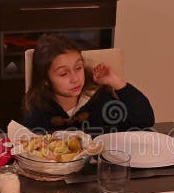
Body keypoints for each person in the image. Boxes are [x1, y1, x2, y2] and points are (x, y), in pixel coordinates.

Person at [22, 34, 155, 134]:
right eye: (64, 74)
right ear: (45, 80)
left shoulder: (99, 97)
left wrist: (116, 82)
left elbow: (144, 121)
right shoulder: (36, 106)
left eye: (78, 68)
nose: (75, 79)